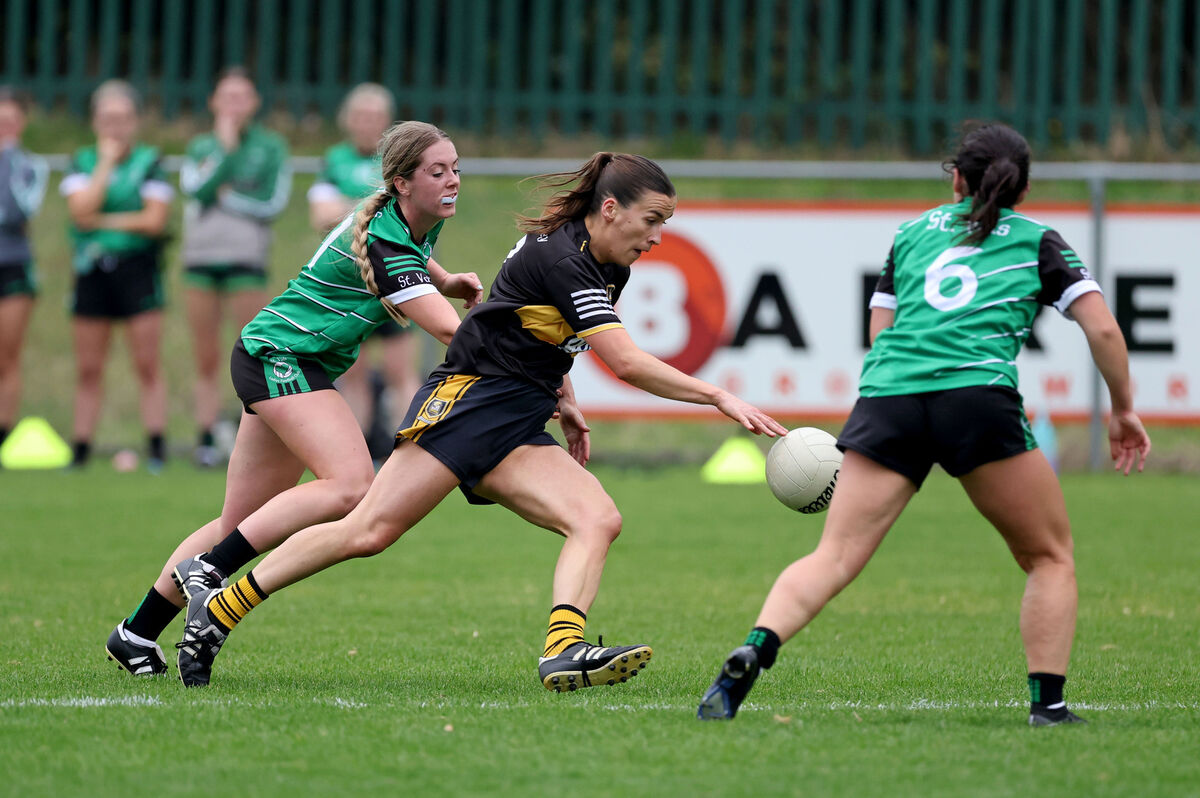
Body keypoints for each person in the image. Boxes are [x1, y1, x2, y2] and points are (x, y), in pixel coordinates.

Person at [170, 152, 789, 690]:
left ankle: (561, 651)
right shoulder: (565, 258)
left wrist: (561, 394)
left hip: (517, 414)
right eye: (652, 220)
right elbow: (625, 362)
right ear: (609, 209)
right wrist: (718, 397)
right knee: (368, 531)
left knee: (597, 518)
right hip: (471, 404)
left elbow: (542, 330)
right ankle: (222, 608)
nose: (657, 236)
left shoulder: (606, 262)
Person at [697, 123, 1152, 726]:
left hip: (890, 398)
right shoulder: (1038, 240)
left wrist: (895, 396)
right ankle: (1049, 705)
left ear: (956, 178)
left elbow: (879, 330)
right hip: (975, 399)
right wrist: (1122, 410)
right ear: (1022, 186)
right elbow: (1101, 329)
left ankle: (754, 651)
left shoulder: (911, 233)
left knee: (832, 556)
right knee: (1049, 556)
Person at [105, 121, 482, 676]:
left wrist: (445, 280)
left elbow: (409, 257)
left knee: (241, 519)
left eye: (456, 170)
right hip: (282, 360)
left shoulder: (407, 224)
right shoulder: (385, 239)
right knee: (351, 485)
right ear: (402, 183)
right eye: (437, 172)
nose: (452, 181)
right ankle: (209, 571)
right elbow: (456, 335)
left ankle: (135, 633)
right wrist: (534, 354)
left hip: (280, 356)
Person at [180, 67, 291, 467]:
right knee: (206, 356)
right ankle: (206, 438)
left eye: (242, 97)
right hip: (201, 258)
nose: (234, 105)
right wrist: (225, 152)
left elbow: (271, 203)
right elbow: (196, 188)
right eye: (227, 97)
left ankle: (254, 438)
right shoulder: (201, 146)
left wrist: (228, 199)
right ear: (213, 102)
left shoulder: (272, 147)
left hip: (247, 258)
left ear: (255, 102)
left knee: (251, 351)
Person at [60, 80, 173, 470]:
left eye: (124, 119)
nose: (116, 127)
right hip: (92, 269)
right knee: (89, 368)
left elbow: (154, 219)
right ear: (95, 121)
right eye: (108, 119)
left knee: (147, 363)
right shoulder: (82, 161)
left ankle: (157, 448)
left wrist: (102, 219)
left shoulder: (150, 161)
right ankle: (80, 451)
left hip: (138, 270)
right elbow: (79, 211)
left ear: (136, 122)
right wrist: (106, 164)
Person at [308, 83, 420, 458]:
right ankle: (354, 461)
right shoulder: (335, 159)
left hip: (395, 275)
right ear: (347, 120)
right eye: (360, 116)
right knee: (351, 376)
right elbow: (321, 216)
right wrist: (374, 210)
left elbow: (407, 215)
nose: (366, 123)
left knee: (400, 373)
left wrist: (351, 208)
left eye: (374, 117)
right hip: (349, 285)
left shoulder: (400, 160)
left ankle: (409, 458)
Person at [0, 87, 48, 451]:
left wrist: (8, 158)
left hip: (13, 267)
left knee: (7, 355)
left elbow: (18, 211)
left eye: (10, 119)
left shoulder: (30, 165)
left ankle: (2, 436)